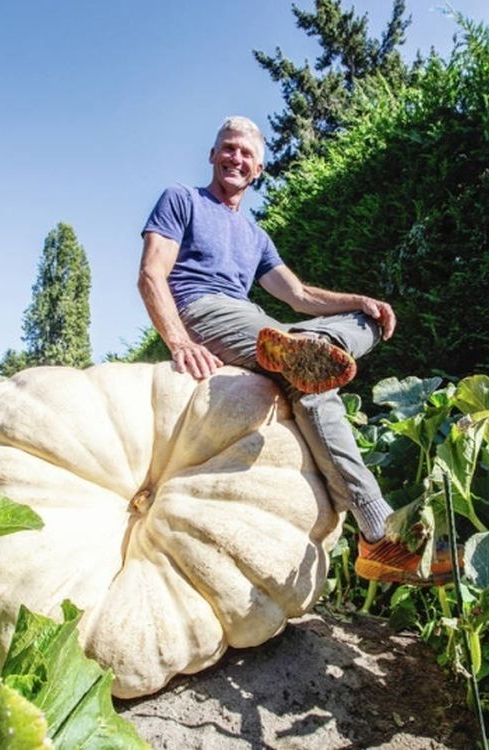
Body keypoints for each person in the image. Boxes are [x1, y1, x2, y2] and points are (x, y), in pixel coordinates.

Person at [138, 115, 454, 585]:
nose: (235, 158)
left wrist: (359, 302)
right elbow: (151, 274)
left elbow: (300, 296)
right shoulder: (182, 200)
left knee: (339, 348)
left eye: (246, 154)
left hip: (263, 326)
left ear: (259, 169)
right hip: (205, 309)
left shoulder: (256, 236)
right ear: (212, 154)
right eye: (228, 148)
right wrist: (179, 341)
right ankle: (379, 533)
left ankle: (310, 354)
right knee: (300, 361)